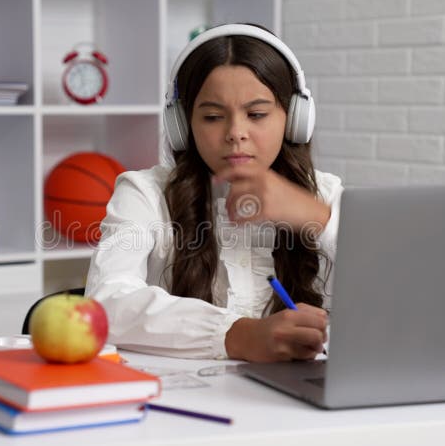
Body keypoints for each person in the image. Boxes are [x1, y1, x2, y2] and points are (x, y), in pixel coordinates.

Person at [85, 24, 343, 363]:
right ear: (183, 125)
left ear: (295, 119)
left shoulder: (324, 194)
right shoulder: (145, 193)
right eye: (212, 116)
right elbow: (105, 302)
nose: (236, 133)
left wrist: (317, 219)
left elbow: (400, 292)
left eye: (257, 114)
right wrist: (235, 334)